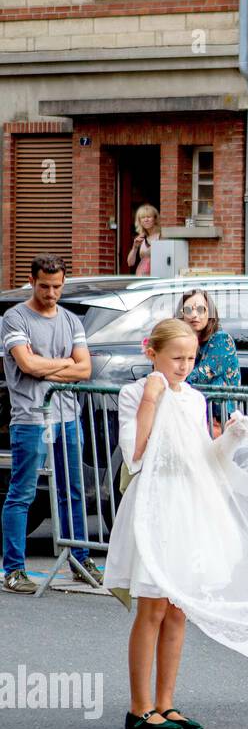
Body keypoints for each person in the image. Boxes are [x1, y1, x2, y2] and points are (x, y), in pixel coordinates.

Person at [104, 319, 212, 729]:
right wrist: (151, 399)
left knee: (177, 609)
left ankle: (167, 703)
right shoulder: (134, 393)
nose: (184, 366)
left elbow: (201, 455)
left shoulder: (196, 399)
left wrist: (229, 440)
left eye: (190, 358)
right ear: (152, 354)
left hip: (186, 505)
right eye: (176, 359)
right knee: (152, 607)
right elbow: (135, 454)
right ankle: (139, 706)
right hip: (154, 501)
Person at [2, 254, 100, 594]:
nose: (51, 293)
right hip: (30, 416)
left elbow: (85, 370)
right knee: (23, 492)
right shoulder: (15, 318)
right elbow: (26, 365)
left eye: (57, 287)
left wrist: (46, 366)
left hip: (67, 415)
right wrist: (63, 365)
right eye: (45, 286)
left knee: (72, 490)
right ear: (32, 281)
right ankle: (13, 569)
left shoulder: (72, 321)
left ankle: (80, 559)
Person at [177, 288, 240, 433]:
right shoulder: (184, 342)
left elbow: (200, 376)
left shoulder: (221, 340)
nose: (194, 315)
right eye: (188, 309)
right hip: (193, 415)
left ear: (209, 312)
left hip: (218, 419)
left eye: (200, 309)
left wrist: (168, 384)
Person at [126, 204, 161, 276]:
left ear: (155, 219)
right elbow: (130, 263)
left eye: (149, 217)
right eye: (143, 217)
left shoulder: (161, 236)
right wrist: (135, 247)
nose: (146, 220)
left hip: (155, 277)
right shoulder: (141, 238)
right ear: (140, 221)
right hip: (140, 276)